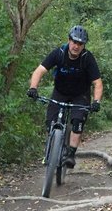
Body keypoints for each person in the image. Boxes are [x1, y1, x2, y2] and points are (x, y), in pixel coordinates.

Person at [27, 25, 103, 169]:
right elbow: (39, 71)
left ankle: (70, 154)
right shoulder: (59, 53)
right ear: (69, 40)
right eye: (74, 42)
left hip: (80, 95)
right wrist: (33, 88)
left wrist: (96, 101)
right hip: (60, 92)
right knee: (50, 123)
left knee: (77, 122)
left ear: (83, 45)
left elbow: (97, 83)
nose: (76, 46)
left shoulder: (87, 58)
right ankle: (52, 149)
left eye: (80, 44)